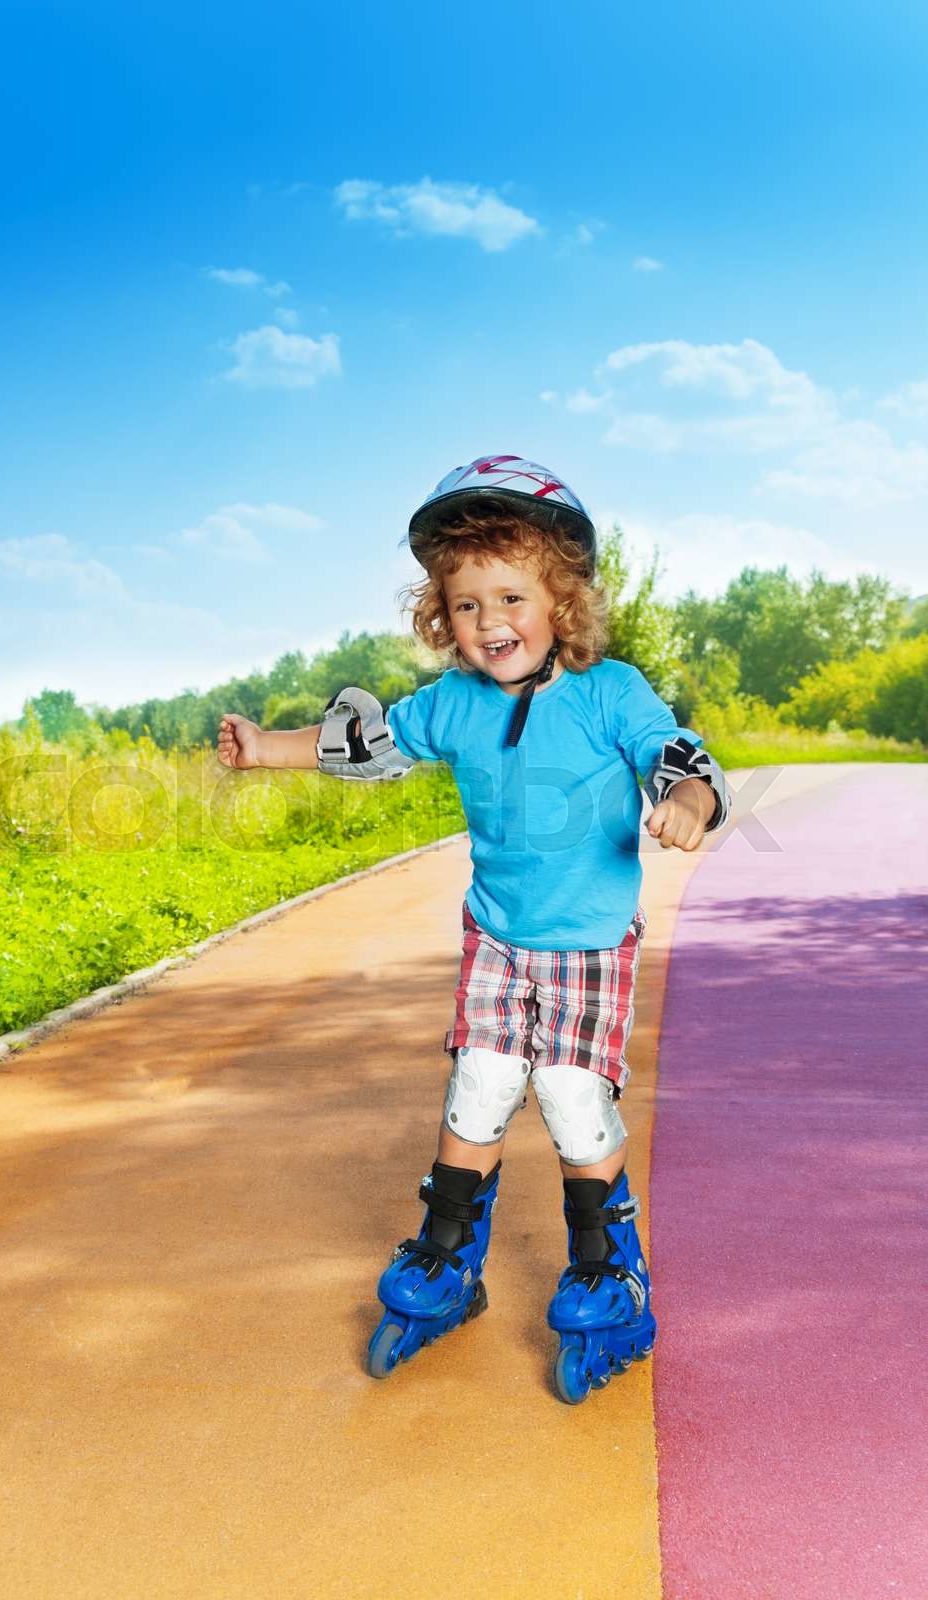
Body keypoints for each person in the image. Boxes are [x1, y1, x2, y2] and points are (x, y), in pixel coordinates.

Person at [217, 454, 730, 1403]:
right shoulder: (452, 704)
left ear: (561, 603)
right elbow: (363, 744)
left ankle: (606, 1272)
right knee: (482, 1083)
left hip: (585, 939)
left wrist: (689, 796)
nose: (489, 622)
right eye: (464, 605)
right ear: (440, 618)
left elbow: (675, 752)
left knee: (575, 1098)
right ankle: (448, 1258)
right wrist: (265, 751)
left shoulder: (611, 690)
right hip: (496, 934)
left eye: (510, 597)